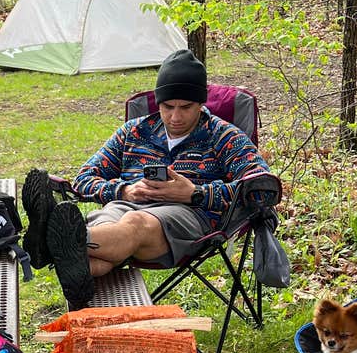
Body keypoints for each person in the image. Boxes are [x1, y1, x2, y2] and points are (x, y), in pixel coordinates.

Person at [22, 49, 269, 309]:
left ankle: (52, 241)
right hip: (123, 209)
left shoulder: (223, 136)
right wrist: (125, 191)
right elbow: (84, 179)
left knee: (135, 222)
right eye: (167, 106)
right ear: (158, 102)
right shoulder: (134, 131)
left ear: (201, 104)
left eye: (186, 107)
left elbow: (262, 189)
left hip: (188, 217)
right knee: (101, 252)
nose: (175, 117)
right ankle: (70, 246)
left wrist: (195, 193)